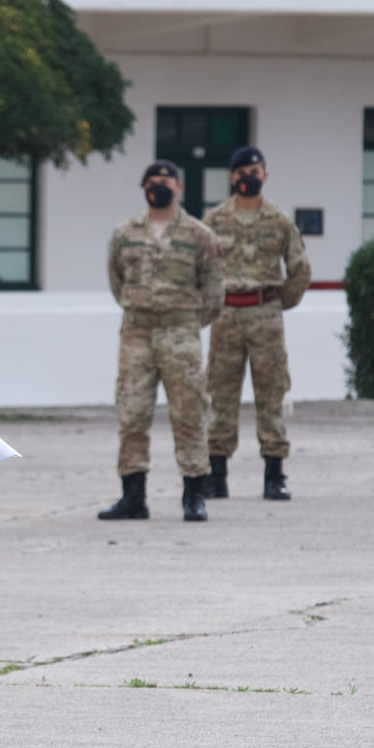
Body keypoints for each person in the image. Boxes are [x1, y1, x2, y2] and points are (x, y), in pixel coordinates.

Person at [98, 160, 225, 523]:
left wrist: (184, 322)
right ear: (144, 187)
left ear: (180, 187)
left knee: (189, 413)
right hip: (136, 333)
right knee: (132, 412)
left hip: (181, 334)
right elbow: (116, 281)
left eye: (167, 181)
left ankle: (195, 495)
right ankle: (133, 497)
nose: (160, 186)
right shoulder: (125, 233)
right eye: (153, 181)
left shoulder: (201, 236)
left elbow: (215, 295)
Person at [202, 146, 311, 501]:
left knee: (272, 394)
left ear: (265, 175)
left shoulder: (279, 222)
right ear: (232, 177)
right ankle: (216, 474)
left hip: (266, 316)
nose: (248, 177)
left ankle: (274, 475)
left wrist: (277, 302)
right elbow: (196, 268)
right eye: (242, 172)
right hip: (227, 316)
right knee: (221, 394)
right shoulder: (214, 221)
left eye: (256, 171)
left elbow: (299, 270)